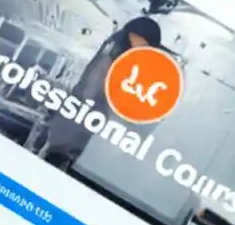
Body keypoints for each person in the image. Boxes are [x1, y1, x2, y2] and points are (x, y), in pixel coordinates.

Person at [40, 17, 162, 172]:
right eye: (126, 50)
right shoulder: (104, 63)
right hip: (69, 141)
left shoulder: (143, 90)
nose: (128, 58)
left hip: (92, 155)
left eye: (137, 54)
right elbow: (86, 93)